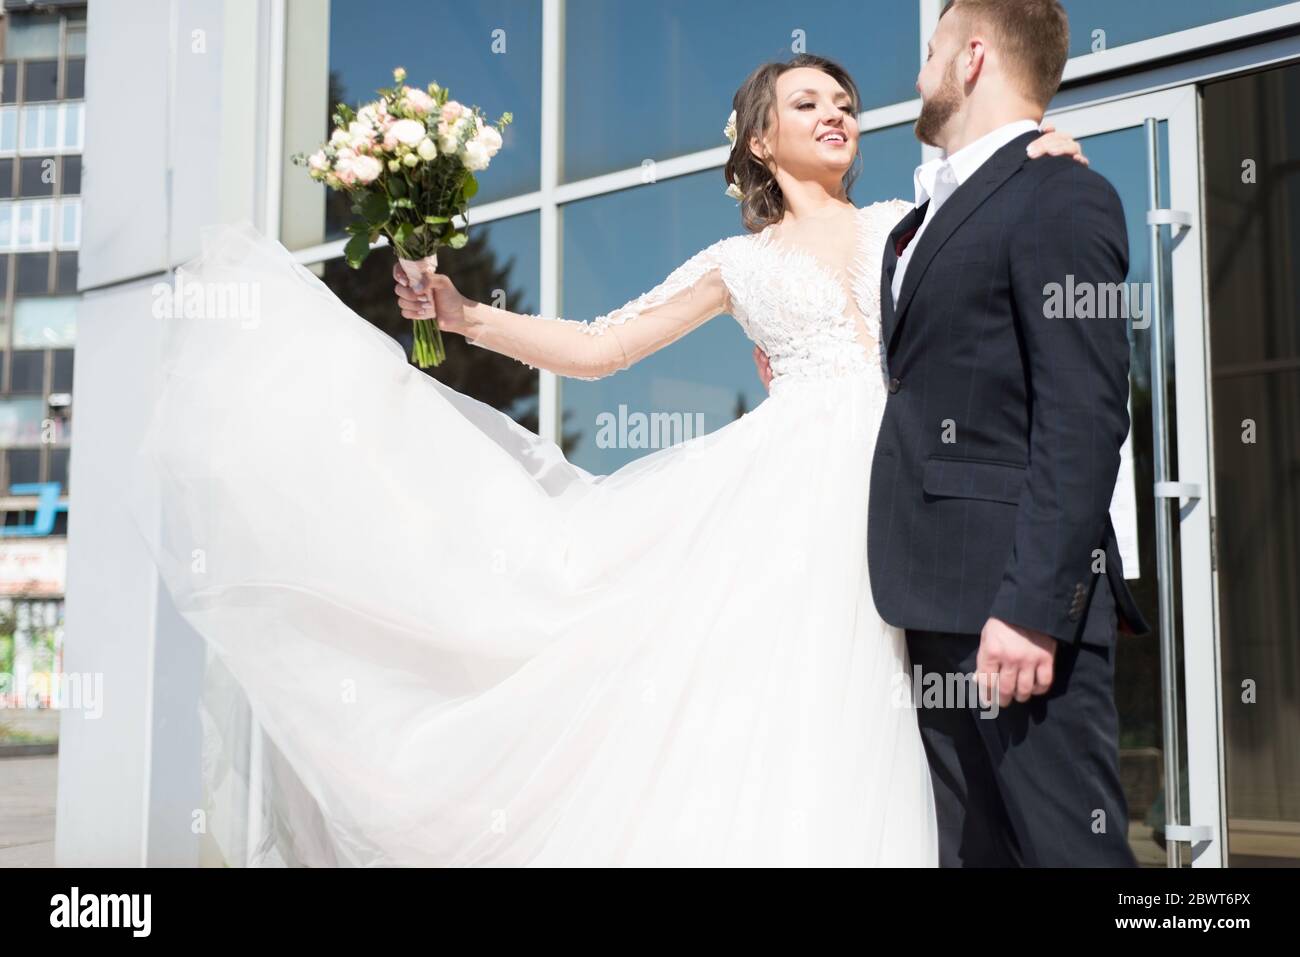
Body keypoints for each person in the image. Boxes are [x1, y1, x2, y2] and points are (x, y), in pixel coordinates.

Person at [136, 50, 1086, 866]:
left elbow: (1000, 195)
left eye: (842, 103)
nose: (835, 114)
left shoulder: (906, 220)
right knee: (796, 714)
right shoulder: (736, 263)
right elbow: (602, 347)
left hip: (901, 488)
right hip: (790, 507)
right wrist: (466, 316)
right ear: (761, 140)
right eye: (807, 103)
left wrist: (1052, 149)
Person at [753, 0, 1152, 867]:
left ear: (973, 58)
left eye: (931, 51)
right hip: (931, 607)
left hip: (1013, 616)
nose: (917, 72)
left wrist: (1034, 608)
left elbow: (1085, 414)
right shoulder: (915, 222)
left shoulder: (1062, 193)